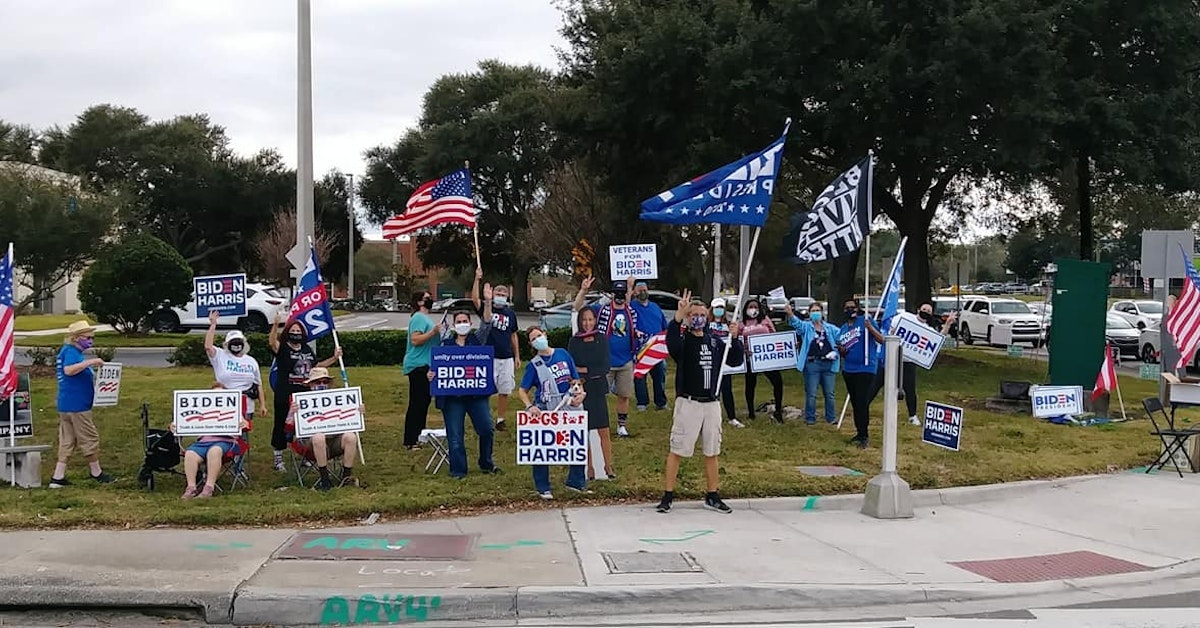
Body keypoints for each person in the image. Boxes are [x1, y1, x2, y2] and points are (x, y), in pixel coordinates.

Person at [656, 290, 744, 515]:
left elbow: (735, 360)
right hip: (689, 403)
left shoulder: (714, 341)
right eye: (694, 315)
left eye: (702, 315)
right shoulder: (684, 342)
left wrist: (735, 339)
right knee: (678, 449)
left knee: (712, 450)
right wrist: (678, 317)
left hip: (711, 403)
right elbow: (671, 343)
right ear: (688, 317)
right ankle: (668, 495)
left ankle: (712, 494)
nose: (698, 318)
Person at [429, 293, 501, 480]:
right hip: (453, 399)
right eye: (459, 321)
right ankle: (458, 470)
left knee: (486, 429)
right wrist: (432, 375)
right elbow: (437, 367)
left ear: (470, 323)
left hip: (476, 397)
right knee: (455, 436)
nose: (462, 324)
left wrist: (487, 302)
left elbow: (487, 323)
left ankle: (486, 462)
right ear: (454, 325)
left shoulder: (477, 341)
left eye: (465, 321)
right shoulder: (446, 345)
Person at [519, 326, 589, 499]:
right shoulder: (534, 365)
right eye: (533, 339)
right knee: (541, 447)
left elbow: (576, 379)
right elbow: (522, 390)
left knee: (577, 442)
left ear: (545, 334)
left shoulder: (563, 354)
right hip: (545, 406)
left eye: (539, 335)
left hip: (569, 403)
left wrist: (581, 395)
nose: (538, 339)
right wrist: (529, 406)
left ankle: (576, 482)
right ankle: (543, 486)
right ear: (531, 344)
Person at [268, 312, 342, 470]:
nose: (296, 334)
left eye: (298, 331)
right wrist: (275, 325)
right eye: (293, 331)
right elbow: (273, 343)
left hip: (305, 392)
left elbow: (316, 366)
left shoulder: (306, 349)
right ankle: (278, 456)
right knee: (281, 423)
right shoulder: (283, 348)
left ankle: (305, 453)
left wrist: (334, 358)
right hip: (285, 392)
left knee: (306, 423)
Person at [573, 276, 641, 437]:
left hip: (626, 361)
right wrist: (583, 290)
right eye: (617, 293)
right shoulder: (602, 310)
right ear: (612, 294)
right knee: (598, 394)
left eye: (622, 293)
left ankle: (621, 426)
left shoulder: (631, 312)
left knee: (624, 395)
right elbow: (578, 307)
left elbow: (631, 326)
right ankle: (596, 423)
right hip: (604, 361)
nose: (619, 296)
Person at [869, 303, 957, 425]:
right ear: (918, 309)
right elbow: (891, 327)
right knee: (876, 384)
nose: (925, 311)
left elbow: (938, 339)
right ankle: (863, 406)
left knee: (910, 389)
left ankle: (912, 415)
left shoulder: (927, 329)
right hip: (891, 358)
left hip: (908, 362)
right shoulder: (905, 316)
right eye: (924, 309)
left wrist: (948, 324)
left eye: (928, 311)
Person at [49, 321, 113, 487]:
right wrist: (90, 362)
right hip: (77, 405)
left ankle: (58, 476)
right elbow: (69, 370)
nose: (91, 341)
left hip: (66, 404)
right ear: (76, 338)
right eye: (88, 337)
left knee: (67, 439)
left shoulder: (70, 352)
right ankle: (96, 472)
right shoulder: (71, 352)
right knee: (89, 437)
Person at [285, 367, 362, 490]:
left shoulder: (338, 399)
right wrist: (292, 413)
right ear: (310, 384)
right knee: (318, 437)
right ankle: (324, 480)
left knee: (351, 437)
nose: (321, 385)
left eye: (325, 382)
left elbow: (351, 419)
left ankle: (346, 477)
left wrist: (357, 411)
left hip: (334, 440)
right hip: (310, 443)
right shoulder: (300, 401)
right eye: (317, 382)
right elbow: (288, 428)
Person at [568, 307, 616, 480]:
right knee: (585, 430)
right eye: (584, 320)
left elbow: (605, 366)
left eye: (590, 319)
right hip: (581, 391)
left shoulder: (601, 339)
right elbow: (572, 367)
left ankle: (608, 466)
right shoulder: (575, 341)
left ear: (595, 320)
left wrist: (585, 370)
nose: (587, 323)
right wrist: (584, 371)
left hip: (598, 389)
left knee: (604, 429)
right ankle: (589, 467)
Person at [182, 383, 251, 499]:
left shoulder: (232, 409)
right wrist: (175, 426)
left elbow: (245, 423)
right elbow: (182, 422)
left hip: (225, 442)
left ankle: (208, 488)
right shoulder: (201, 409)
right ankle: (191, 488)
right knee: (190, 454)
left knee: (214, 451)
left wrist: (245, 423)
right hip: (203, 442)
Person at [471, 269, 520, 431]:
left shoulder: (510, 314)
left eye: (503, 294)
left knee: (505, 389)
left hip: (506, 356)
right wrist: (477, 279)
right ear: (493, 293)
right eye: (498, 293)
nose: (500, 296)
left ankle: (500, 419)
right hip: (489, 355)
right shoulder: (488, 308)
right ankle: (484, 416)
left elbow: (513, 335)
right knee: (486, 388)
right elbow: (475, 300)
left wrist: (516, 355)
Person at [839, 298, 885, 449]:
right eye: (847, 308)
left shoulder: (866, 321)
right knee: (855, 403)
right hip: (849, 369)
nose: (850, 310)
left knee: (862, 402)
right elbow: (843, 350)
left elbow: (881, 339)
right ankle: (859, 432)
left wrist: (870, 328)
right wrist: (842, 351)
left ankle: (864, 435)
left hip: (865, 368)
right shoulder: (844, 328)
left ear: (857, 308)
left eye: (853, 307)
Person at [786, 301, 842, 426]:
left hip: (828, 364)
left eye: (818, 311)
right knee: (811, 393)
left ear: (822, 312)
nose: (816, 313)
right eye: (813, 311)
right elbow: (797, 324)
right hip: (812, 363)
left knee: (830, 393)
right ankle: (810, 418)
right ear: (809, 313)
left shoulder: (830, 328)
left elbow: (842, 336)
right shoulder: (806, 327)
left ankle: (831, 417)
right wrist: (790, 314)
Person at [203, 310, 262, 422]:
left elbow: (258, 384)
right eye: (233, 341)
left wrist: (262, 405)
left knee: (244, 429)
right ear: (227, 344)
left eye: (238, 341)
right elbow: (208, 346)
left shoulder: (251, 360)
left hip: (247, 403)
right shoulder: (220, 355)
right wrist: (213, 324)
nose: (236, 344)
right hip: (225, 402)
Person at [403, 290, 441, 450]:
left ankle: (419, 435)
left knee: (424, 401)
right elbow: (415, 339)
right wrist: (433, 332)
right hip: (418, 364)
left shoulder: (426, 318)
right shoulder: (418, 317)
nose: (430, 300)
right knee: (417, 403)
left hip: (425, 364)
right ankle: (411, 439)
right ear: (419, 302)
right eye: (427, 298)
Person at [739, 298, 784, 423]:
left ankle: (778, 411)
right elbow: (738, 341)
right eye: (750, 307)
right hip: (751, 359)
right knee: (750, 385)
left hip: (766, 359)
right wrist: (744, 350)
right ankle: (751, 413)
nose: (753, 309)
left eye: (755, 307)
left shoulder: (765, 320)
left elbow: (775, 335)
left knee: (777, 382)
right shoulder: (742, 324)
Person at [631, 281, 669, 412]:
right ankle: (642, 403)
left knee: (660, 375)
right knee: (640, 376)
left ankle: (661, 402)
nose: (643, 292)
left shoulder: (655, 307)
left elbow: (664, 326)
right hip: (640, 348)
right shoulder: (631, 306)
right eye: (640, 290)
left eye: (645, 290)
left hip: (656, 347)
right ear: (635, 292)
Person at [707, 297, 741, 428]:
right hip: (711, 361)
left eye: (721, 307)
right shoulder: (707, 325)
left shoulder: (729, 325)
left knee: (727, 390)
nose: (719, 310)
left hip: (724, 362)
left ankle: (732, 417)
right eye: (716, 308)